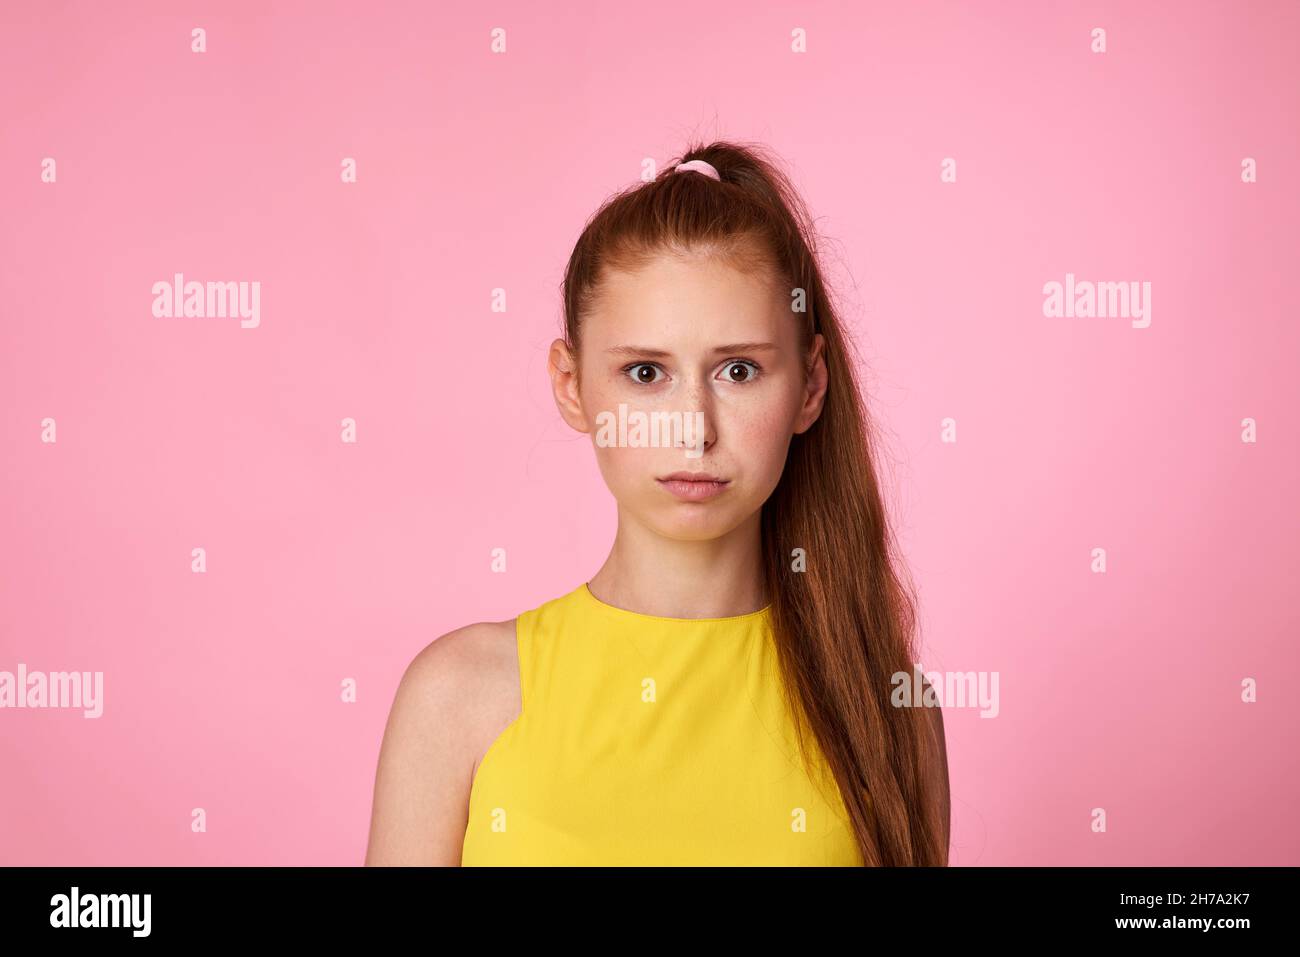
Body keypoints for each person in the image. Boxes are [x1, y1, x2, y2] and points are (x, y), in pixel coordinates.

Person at [365, 141, 950, 866]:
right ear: (572, 384)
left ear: (810, 386)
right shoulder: (459, 698)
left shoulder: (885, 707)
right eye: (646, 372)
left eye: (739, 370)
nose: (694, 428)